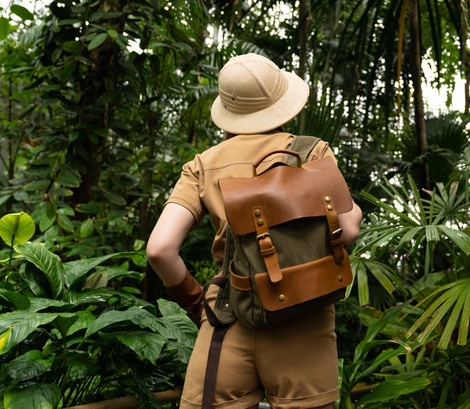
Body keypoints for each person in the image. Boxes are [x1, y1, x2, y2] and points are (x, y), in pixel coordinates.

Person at [146, 53, 362, 409]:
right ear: (282, 104)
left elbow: (160, 249)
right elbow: (348, 231)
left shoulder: (203, 164)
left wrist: (198, 305)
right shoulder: (311, 152)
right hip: (304, 318)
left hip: (229, 319)